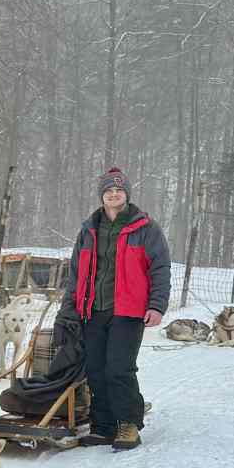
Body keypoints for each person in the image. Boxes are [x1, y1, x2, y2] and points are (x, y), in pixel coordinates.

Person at [61, 168, 170, 451]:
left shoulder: (146, 228)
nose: (113, 194)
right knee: (96, 369)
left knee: (119, 369)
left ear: (127, 194)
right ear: (102, 195)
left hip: (128, 311)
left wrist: (157, 305)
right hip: (93, 309)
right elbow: (75, 272)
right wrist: (69, 307)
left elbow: (160, 268)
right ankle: (103, 426)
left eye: (119, 190)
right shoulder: (89, 229)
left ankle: (128, 424)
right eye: (108, 190)